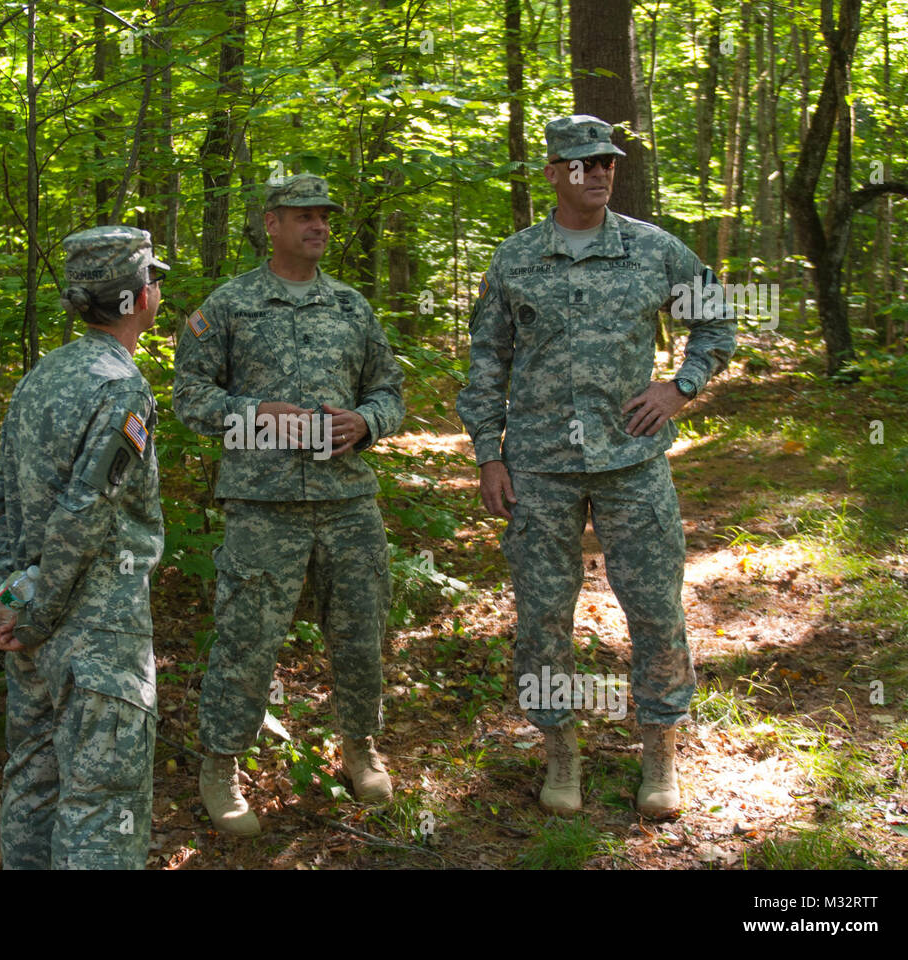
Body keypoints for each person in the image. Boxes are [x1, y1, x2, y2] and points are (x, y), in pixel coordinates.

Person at [457, 115, 737, 818]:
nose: (599, 173)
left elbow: (717, 320)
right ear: (553, 173)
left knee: (653, 609)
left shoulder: (653, 250)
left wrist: (682, 386)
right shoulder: (515, 259)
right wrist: (488, 454)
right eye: (582, 164)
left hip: (632, 463)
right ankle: (561, 753)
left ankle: (659, 755)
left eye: (607, 162)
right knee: (544, 616)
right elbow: (486, 363)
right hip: (540, 467)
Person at [174, 173, 405, 836]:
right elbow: (189, 396)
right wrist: (253, 415)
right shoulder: (230, 305)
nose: (319, 226)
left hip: (347, 500)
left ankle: (360, 747)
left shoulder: (352, 308)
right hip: (263, 503)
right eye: (304, 216)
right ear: (270, 224)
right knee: (247, 642)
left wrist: (366, 423)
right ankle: (220, 767)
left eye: (325, 216)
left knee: (361, 633)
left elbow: (389, 392)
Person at [0, 225, 168, 870]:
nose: (159, 289)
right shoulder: (121, 388)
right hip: (96, 633)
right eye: (153, 279)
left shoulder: (42, 377)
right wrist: (34, 609)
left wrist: (7, 597)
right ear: (137, 298)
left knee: (32, 782)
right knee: (100, 805)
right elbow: (85, 512)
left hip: (32, 628)